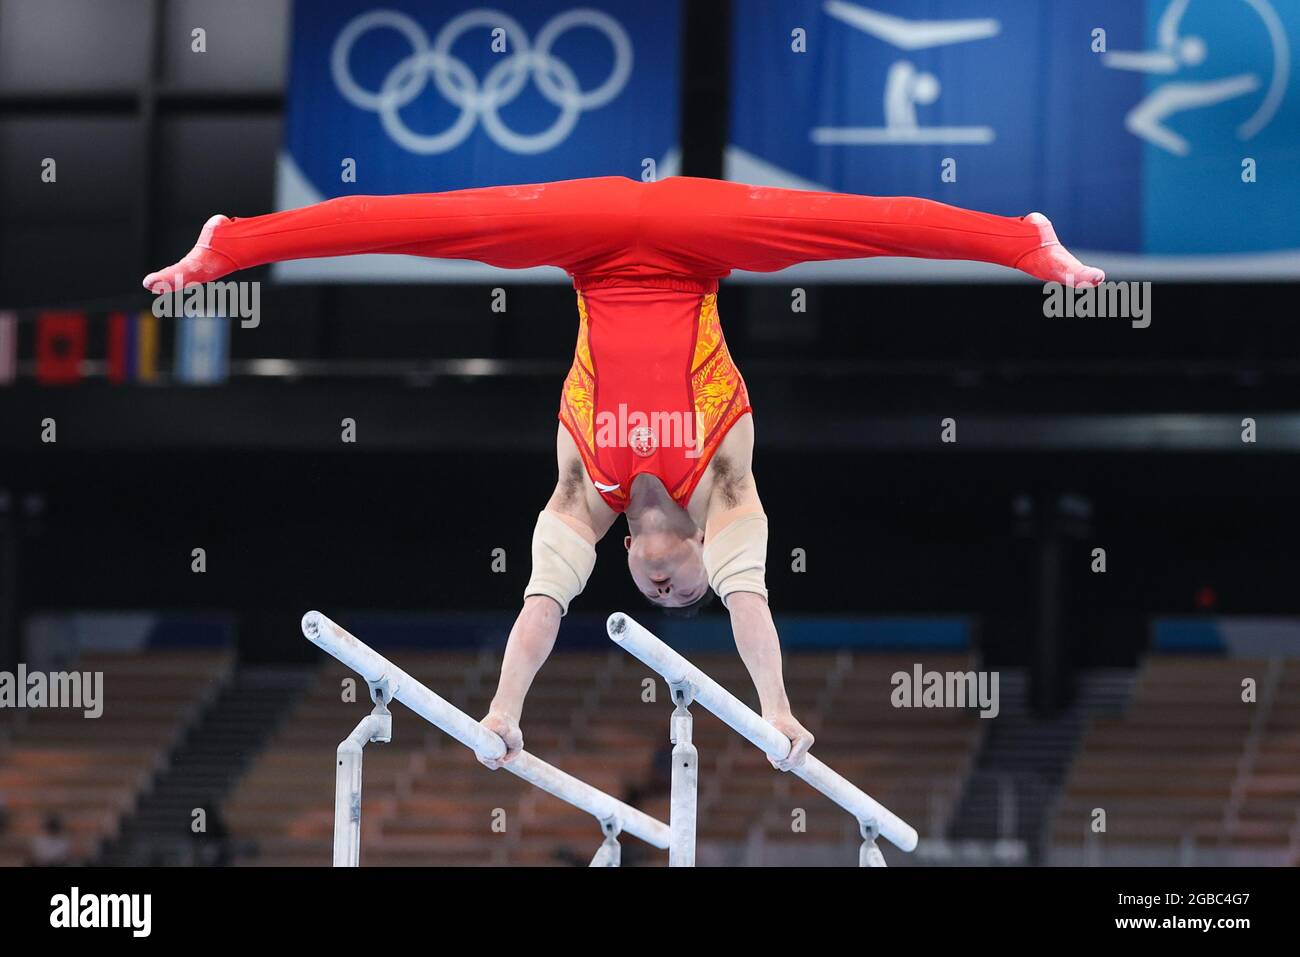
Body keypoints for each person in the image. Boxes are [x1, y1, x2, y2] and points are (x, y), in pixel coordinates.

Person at [145, 175, 1104, 772]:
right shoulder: (727, 483)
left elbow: (538, 610)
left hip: (592, 246)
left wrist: (503, 713)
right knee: (850, 224)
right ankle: (1024, 239)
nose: (659, 585)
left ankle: (231, 245)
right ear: (699, 552)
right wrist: (775, 709)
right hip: (697, 240)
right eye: (680, 586)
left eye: (653, 590)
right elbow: (752, 607)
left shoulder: (582, 488)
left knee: (431, 224)